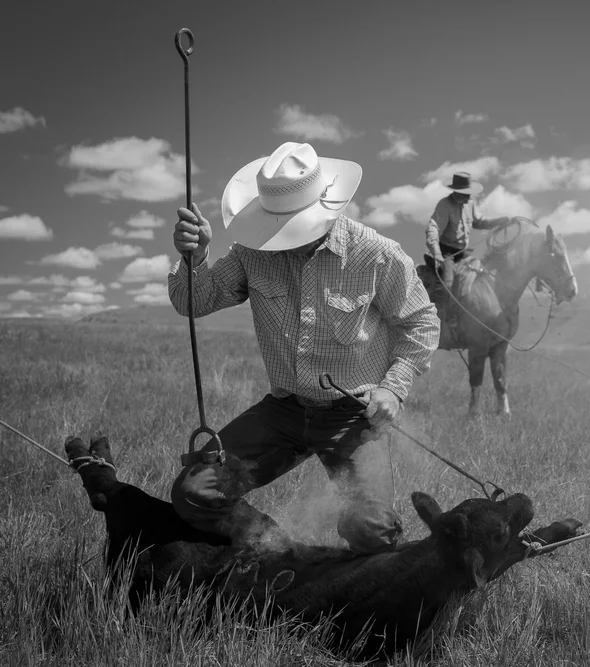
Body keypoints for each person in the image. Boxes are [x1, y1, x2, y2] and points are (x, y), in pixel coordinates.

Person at [167, 141, 440, 555]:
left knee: (371, 531)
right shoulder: (251, 253)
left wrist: (393, 388)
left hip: (353, 415)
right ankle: (277, 550)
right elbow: (195, 301)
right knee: (194, 492)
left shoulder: (377, 255)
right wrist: (196, 257)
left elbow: (421, 322)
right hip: (284, 411)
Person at [425, 172, 511, 337]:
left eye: (469, 193)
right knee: (448, 283)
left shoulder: (469, 204)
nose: (468, 196)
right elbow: (433, 228)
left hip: (463, 254)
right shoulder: (444, 205)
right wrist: (437, 254)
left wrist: (499, 221)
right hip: (446, 254)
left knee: (484, 275)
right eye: (465, 193)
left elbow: (480, 222)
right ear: (456, 192)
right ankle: (445, 318)